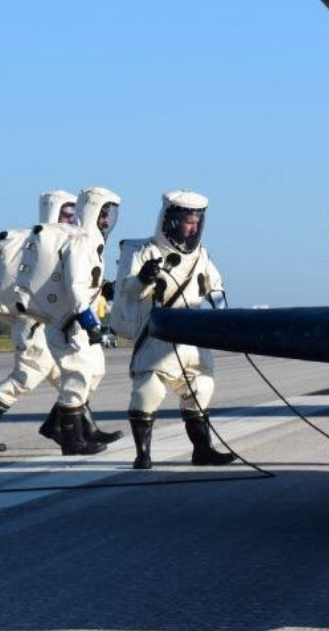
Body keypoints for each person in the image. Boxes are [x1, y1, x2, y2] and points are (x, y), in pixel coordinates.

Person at [112, 191, 234, 470]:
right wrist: (145, 277)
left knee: (202, 387)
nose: (192, 228)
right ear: (170, 221)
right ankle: (143, 455)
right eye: (187, 221)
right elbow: (129, 290)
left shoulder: (201, 256)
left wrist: (226, 318)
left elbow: (215, 288)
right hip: (159, 334)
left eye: (196, 222)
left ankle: (202, 450)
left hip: (193, 337)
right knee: (148, 392)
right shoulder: (143, 251)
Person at [0, 190, 75, 452]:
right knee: (26, 376)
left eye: (73, 214)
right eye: (66, 214)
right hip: (34, 321)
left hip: (47, 322)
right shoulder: (44, 245)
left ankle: (65, 430)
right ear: (53, 212)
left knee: (71, 377)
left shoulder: (45, 242)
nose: (70, 219)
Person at [43, 186, 123, 455]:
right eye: (103, 213)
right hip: (70, 324)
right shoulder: (79, 241)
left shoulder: (91, 242)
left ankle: (57, 424)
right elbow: (76, 287)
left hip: (80, 323)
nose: (107, 219)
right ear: (91, 211)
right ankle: (71, 441)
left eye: (109, 214)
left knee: (95, 371)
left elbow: (89, 285)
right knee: (76, 376)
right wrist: (90, 323)